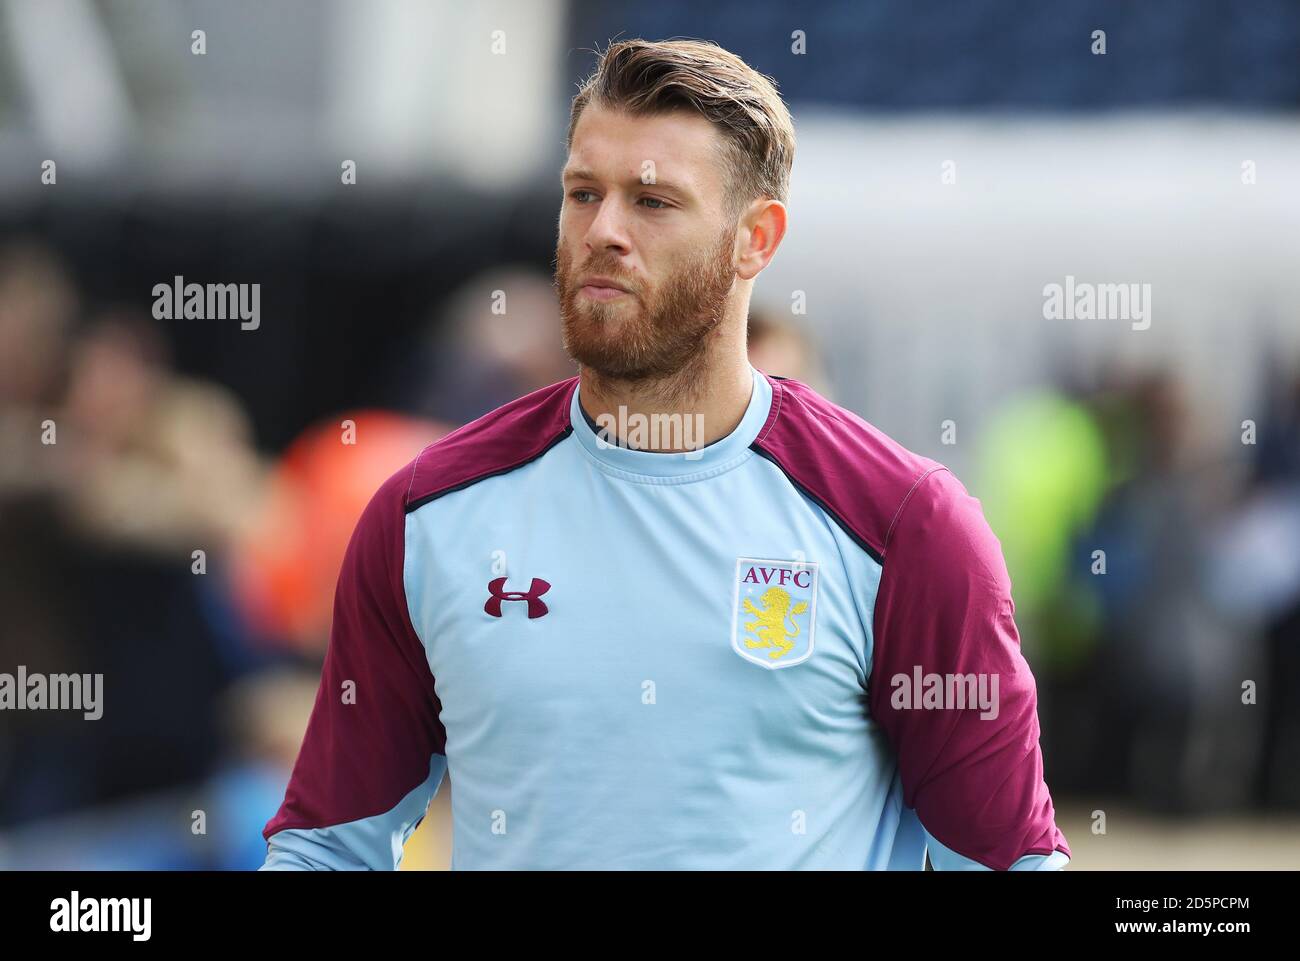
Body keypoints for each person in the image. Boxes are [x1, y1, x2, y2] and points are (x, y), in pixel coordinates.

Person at [262, 38, 1069, 870]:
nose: (603, 231)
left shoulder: (904, 526)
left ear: (756, 239)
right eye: (583, 193)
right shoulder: (426, 515)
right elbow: (326, 851)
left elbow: (1013, 863)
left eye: (651, 201)